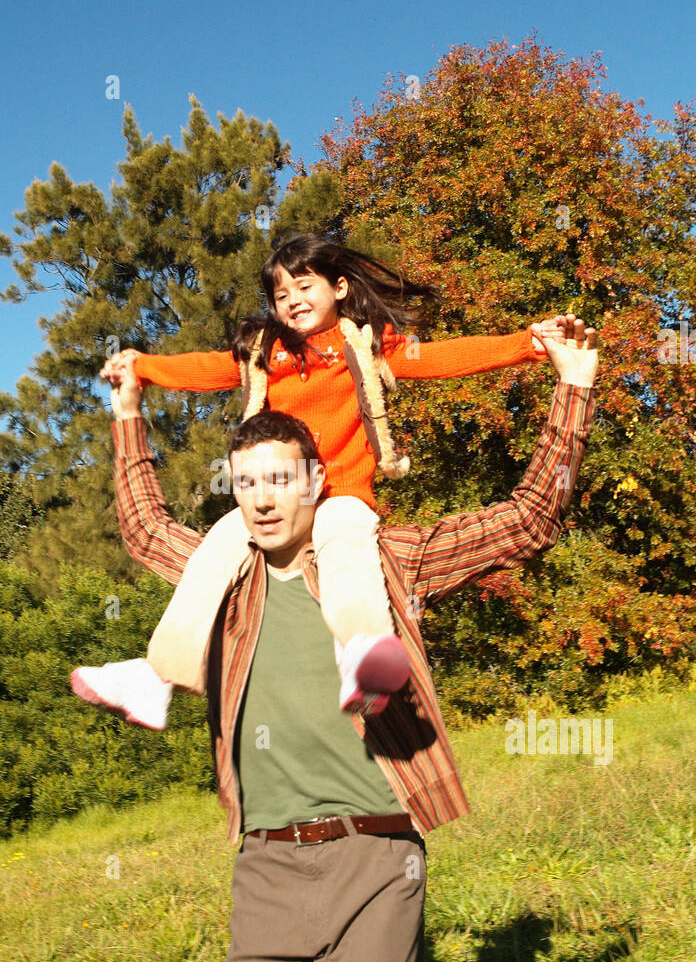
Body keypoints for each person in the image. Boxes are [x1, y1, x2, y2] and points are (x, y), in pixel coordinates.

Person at [105, 312, 598, 962]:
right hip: (264, 872)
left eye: (278, 479)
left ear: (314, 482)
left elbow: (528, 518)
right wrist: (128, 408)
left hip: (374, 861)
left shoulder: (386, 561)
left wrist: (573, 388)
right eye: (245, 482)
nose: (262, 498)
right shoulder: (222, 586)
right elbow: (141, 525)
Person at [71, 233, 555, 728]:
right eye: (281, 296)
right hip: (280, 497)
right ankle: (157, 677)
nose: (292, 302)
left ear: (340, 287)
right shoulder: (267, 351)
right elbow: (209, 368)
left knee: (349, 561)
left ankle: (364, 658)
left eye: (303, 287)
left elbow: (442, 358)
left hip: (342, 495)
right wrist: (143, 368)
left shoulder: (365, 344)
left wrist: (527, 345)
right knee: (214, 553)